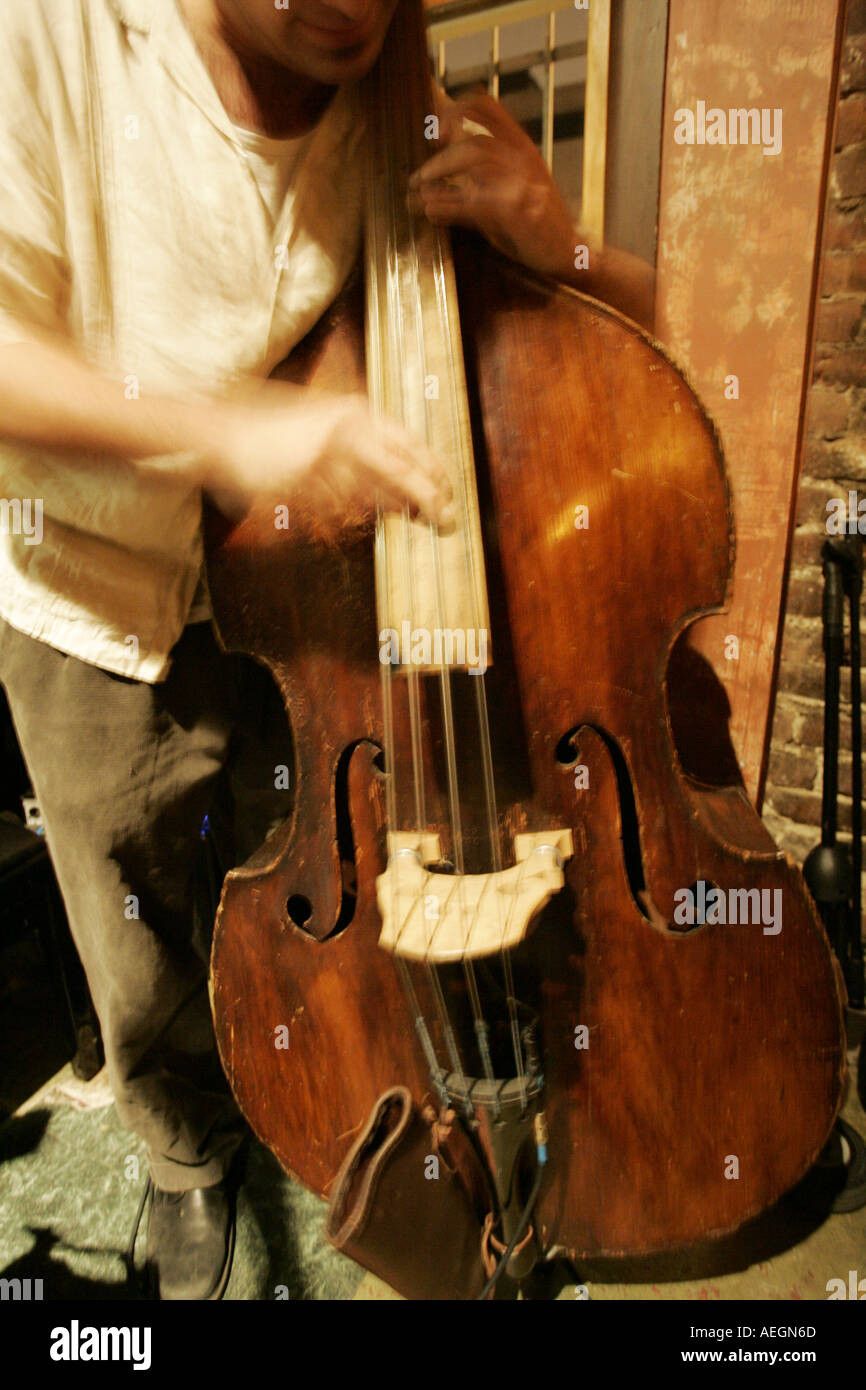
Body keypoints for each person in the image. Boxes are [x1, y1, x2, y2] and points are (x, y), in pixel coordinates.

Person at [0, 0, 655, 1300]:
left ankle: (330, 1097)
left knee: (292, 894)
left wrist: (557, 236)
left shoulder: (394, 86)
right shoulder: (44, 34)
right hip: (82, 568)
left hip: (306, 594)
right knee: (132, 918)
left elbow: (624, 337)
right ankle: (184, 1154)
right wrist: (228, 433)